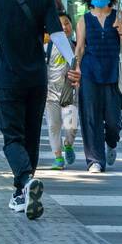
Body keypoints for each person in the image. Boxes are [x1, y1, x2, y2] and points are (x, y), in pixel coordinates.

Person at [0, 0, 75, 218]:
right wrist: (73, 63)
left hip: (9, 78)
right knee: (31, 136)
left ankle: (25, 180)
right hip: (37, 79)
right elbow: (58, 36)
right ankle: (21, 193)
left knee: (12, 137)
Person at [73, 0, 122, 173]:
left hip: (112, 74)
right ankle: (95, 160)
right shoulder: (84, 19)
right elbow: (80, 46)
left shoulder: (119, 16)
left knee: (113, 120)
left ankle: (112, 142)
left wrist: (119, 29)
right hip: (89, 73)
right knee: (90, 117)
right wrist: (77, 67)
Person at [45, 10, 80, 169]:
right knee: (53, 125)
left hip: (69, 92)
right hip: (50, 93)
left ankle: (68, 144)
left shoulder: (76, 46)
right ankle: (58, 157)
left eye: (67, 23)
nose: (64, 27)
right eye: (60, 25)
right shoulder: (47, 46)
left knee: (71, 125)